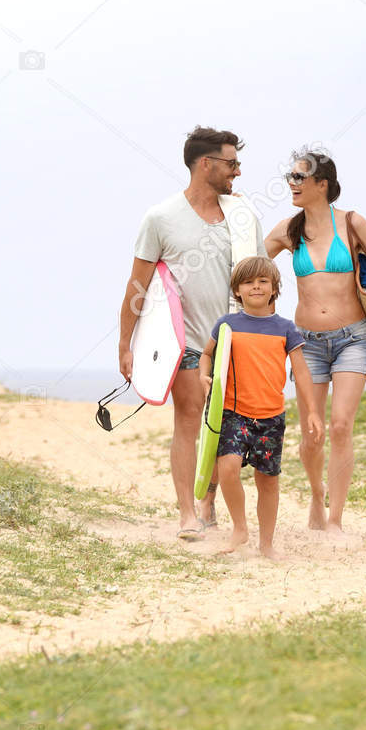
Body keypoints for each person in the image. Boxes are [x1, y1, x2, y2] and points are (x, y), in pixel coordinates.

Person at [120, 127, 263, 537]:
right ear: (206, 164)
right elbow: (137, 286)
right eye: (232, 163)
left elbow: (260, 278)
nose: (237, 171)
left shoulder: (242, 216)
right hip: (184, 341)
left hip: (235, 340)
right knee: (188, 420)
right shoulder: (161, 218)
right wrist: (125, 344)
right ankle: (187, 512)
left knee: (223, 426)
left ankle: (208, 499)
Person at [262, 149, 366, 533]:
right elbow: (248, 263)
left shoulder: (352, 223)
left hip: (353, 337)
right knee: (311, 433)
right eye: (290, 176)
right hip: (306, 343)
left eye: (299, 177)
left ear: (323, 184)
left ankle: (334, 518)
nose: (292, 182)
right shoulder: (289, 229)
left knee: (339, 426)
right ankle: (316, 495)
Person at [197, 256, 322, 557]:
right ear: (237, 291)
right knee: (227, 468)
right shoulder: (226, 325)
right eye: (248, 282)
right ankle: (240, 528)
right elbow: (206, 355)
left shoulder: (285, 328)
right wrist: (204, 375)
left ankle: (266, 544)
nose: (256, 286)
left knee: (267, 480)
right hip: (232, 412)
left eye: (263, 281)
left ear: (274, 288)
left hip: (270, 416)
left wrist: (314, 411)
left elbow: (302, 372)